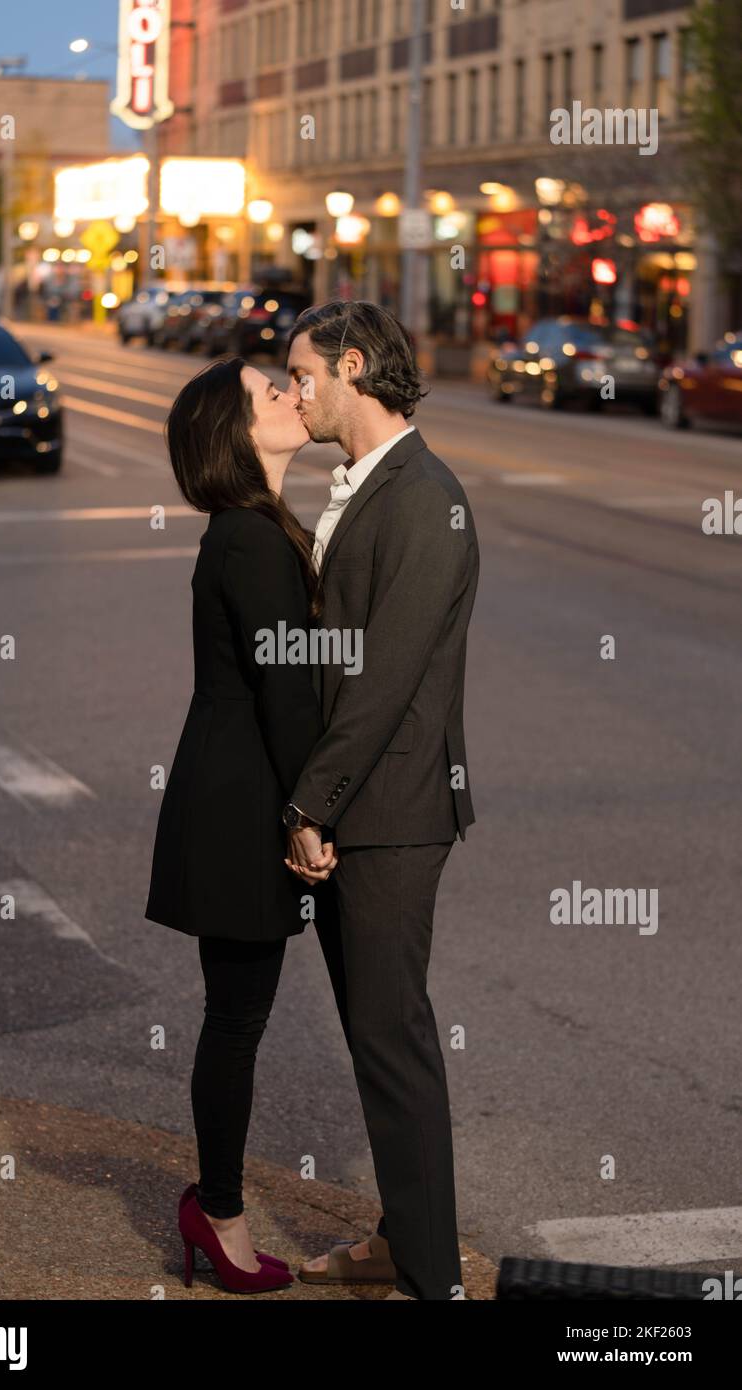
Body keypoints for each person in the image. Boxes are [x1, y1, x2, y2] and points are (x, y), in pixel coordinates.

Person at [282, 300, 480, 1301]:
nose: (295, 392)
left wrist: (311, 806)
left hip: (393, 811)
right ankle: (403, 1237)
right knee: (373, 1032)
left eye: (305, 374)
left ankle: (430, 1275)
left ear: (352, 368)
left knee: (394, 1038)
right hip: (359, 804)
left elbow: (385, 675)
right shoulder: (361, 483)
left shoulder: (420, 496)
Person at [144, 357, 338, 1295]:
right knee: (236, 1022)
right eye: (272, 392)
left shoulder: (251, 532)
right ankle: (219, 1216)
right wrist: (306, 817)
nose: (291, 396)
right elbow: (285, 693)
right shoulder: (252, 542)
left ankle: (212, 1208)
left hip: (232, 791)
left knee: (235, 1018)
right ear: (236, 430)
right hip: (242, 805)